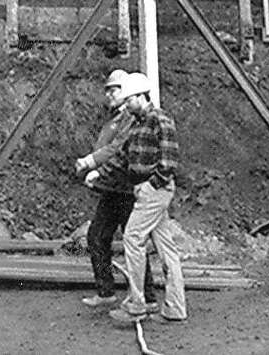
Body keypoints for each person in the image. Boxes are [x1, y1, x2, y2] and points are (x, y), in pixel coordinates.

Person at [103, 73, 187, 326]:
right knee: (166, 247)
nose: (126, 105)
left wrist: (151, 185)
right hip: (147, 189)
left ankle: (137, 304)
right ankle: (175, 308)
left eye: (129, 100)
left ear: (141, 97)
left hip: (154, 189)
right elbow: (122, 158)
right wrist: (98, 174)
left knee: (132, 237)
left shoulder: (160, 120)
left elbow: (169, 160)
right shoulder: (137, 124)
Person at [71, 69, 136, 309]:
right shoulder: (114, 119)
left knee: (132, 242)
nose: (109, 95)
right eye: (107, 90)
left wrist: (92, 165)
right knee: (97, 237)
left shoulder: (129, 119)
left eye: (114, 90)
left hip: (126, 188)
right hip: (112, 187)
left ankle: (146, 296)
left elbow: (117, 151)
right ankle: (106, 291)